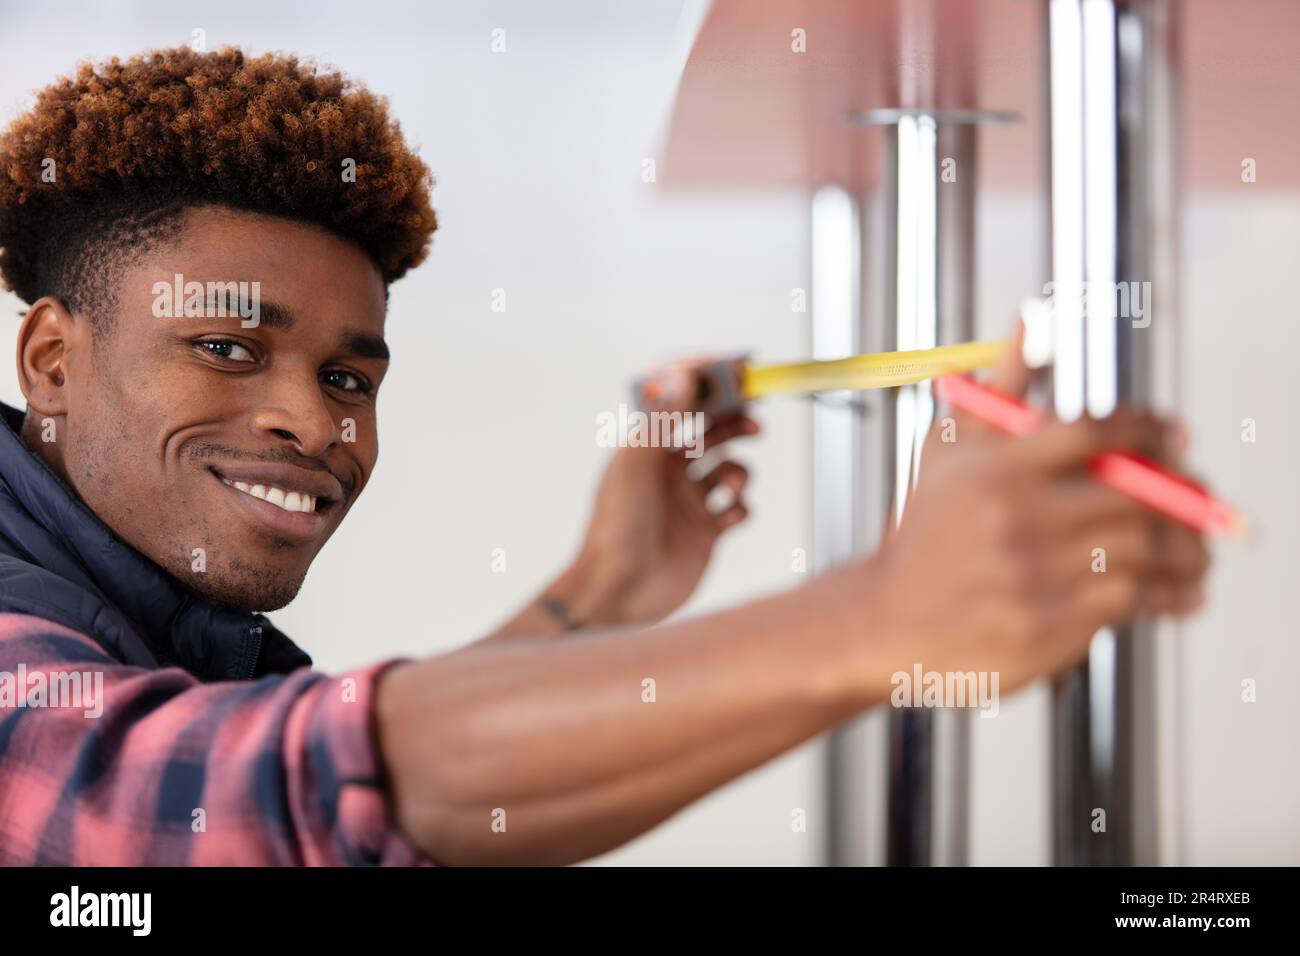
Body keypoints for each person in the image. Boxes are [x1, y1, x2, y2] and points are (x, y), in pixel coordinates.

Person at [0, 47, 1210, 865]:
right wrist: (876, 617)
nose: (314, 424)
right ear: (51, 358)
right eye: (224, 345)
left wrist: (604, 592)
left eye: (349, 376)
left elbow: (360, 810)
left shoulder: (140, 616)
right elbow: (212, 798)